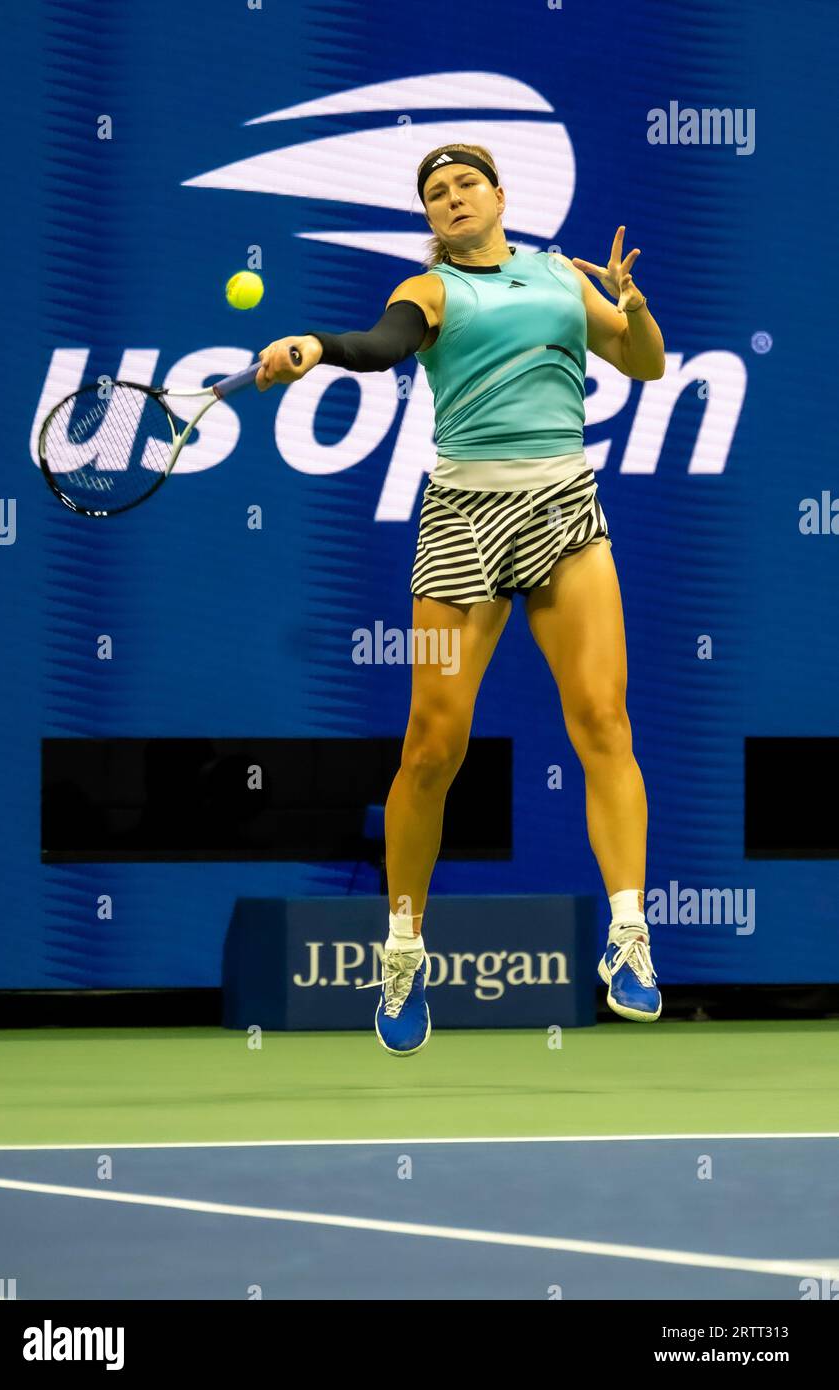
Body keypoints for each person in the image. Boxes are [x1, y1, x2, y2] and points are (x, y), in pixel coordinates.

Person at [255, 142, 666, 1056]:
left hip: (566, 511)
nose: (450, 200)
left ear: (499, 195)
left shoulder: (561, 277)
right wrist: (318, 346)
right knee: (432, 748)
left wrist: (632, 311)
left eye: (464, 185)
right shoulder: (431, 293)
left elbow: (645, 366)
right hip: (461, 526)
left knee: (604, 720)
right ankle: (403, 951)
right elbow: (381, 347)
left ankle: (629, 938)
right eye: (435, 193)